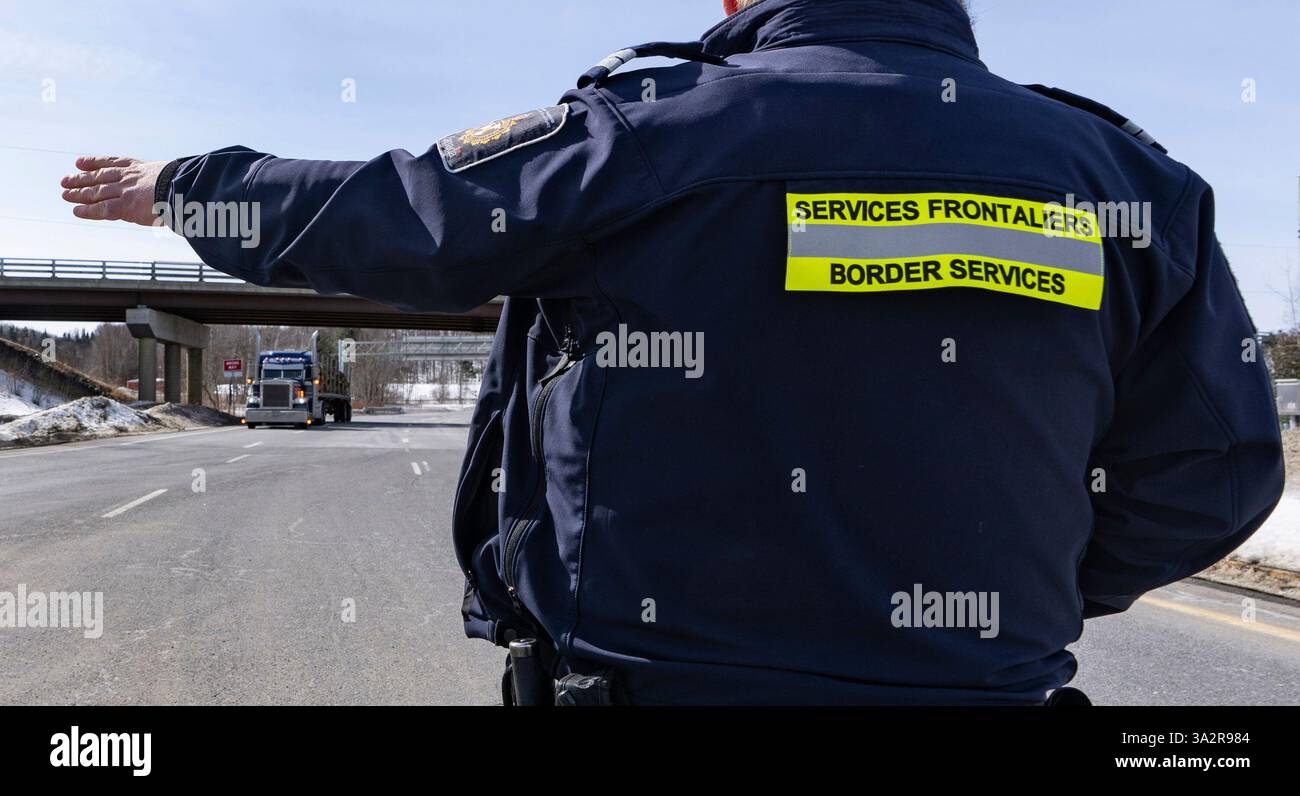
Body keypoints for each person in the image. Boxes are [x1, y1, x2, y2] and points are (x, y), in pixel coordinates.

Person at [61, 0, 1283, 705]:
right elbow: (1216, 474)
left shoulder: (659, 134)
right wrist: (1019, 592)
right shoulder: (1129, 183)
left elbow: (404, 216)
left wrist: (188, 186)